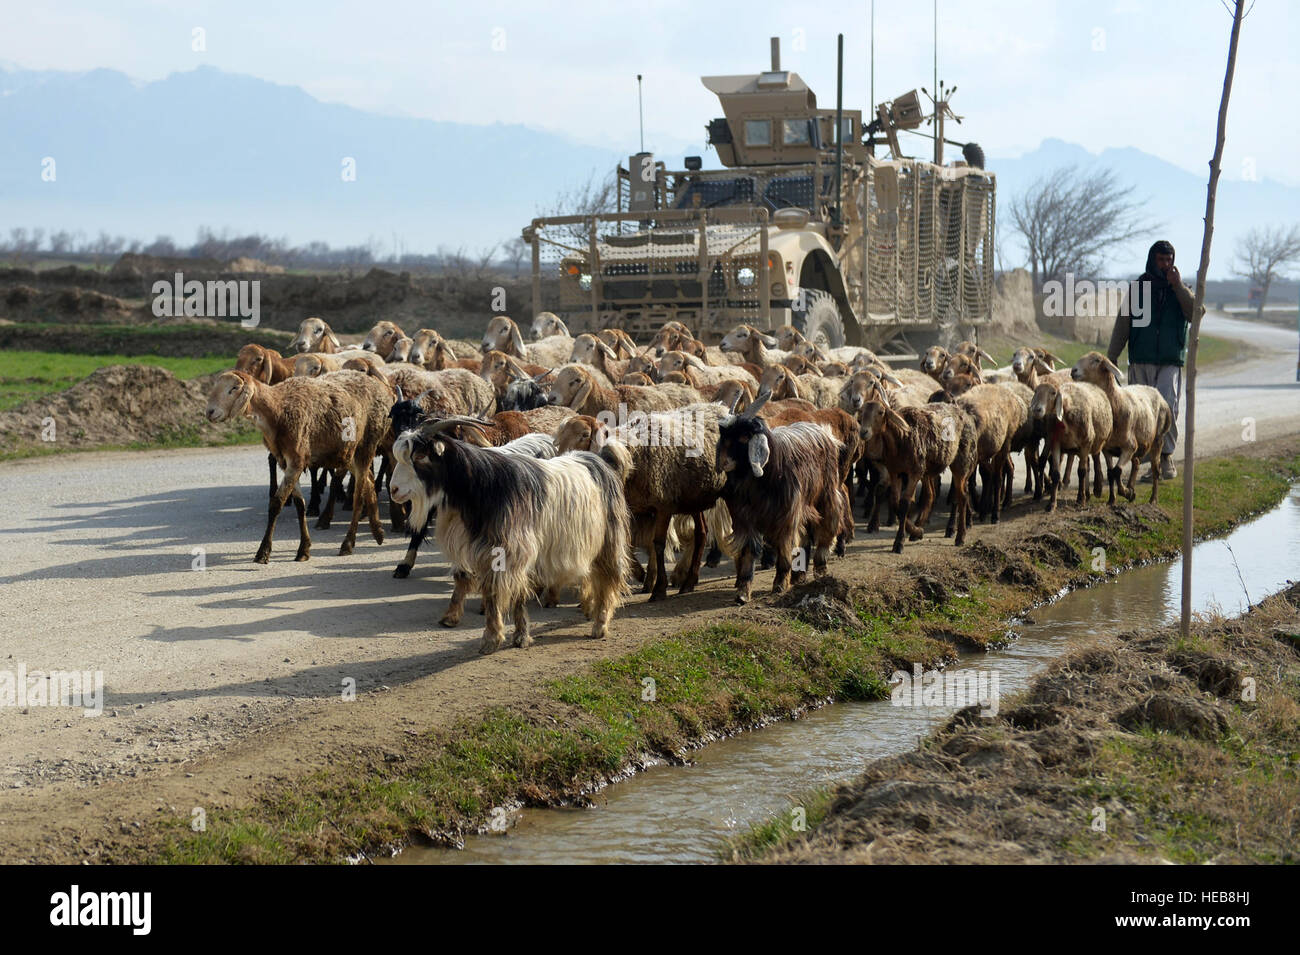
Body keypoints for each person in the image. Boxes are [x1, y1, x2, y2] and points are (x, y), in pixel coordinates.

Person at [1106, 239, 1194, 480]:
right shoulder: (1138, 289)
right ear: (1152, 260)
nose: (1165, 265)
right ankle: (1140, 460)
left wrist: (1178, 287)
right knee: (1140, 410)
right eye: (1161, 260)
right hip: (1141, 358)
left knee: (1167, 406)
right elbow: (1123, 325)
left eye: (1169, 260)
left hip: (1170, 360)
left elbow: (1195, 313)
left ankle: (1165, 458)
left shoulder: (1180, 289)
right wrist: (1111, 358)